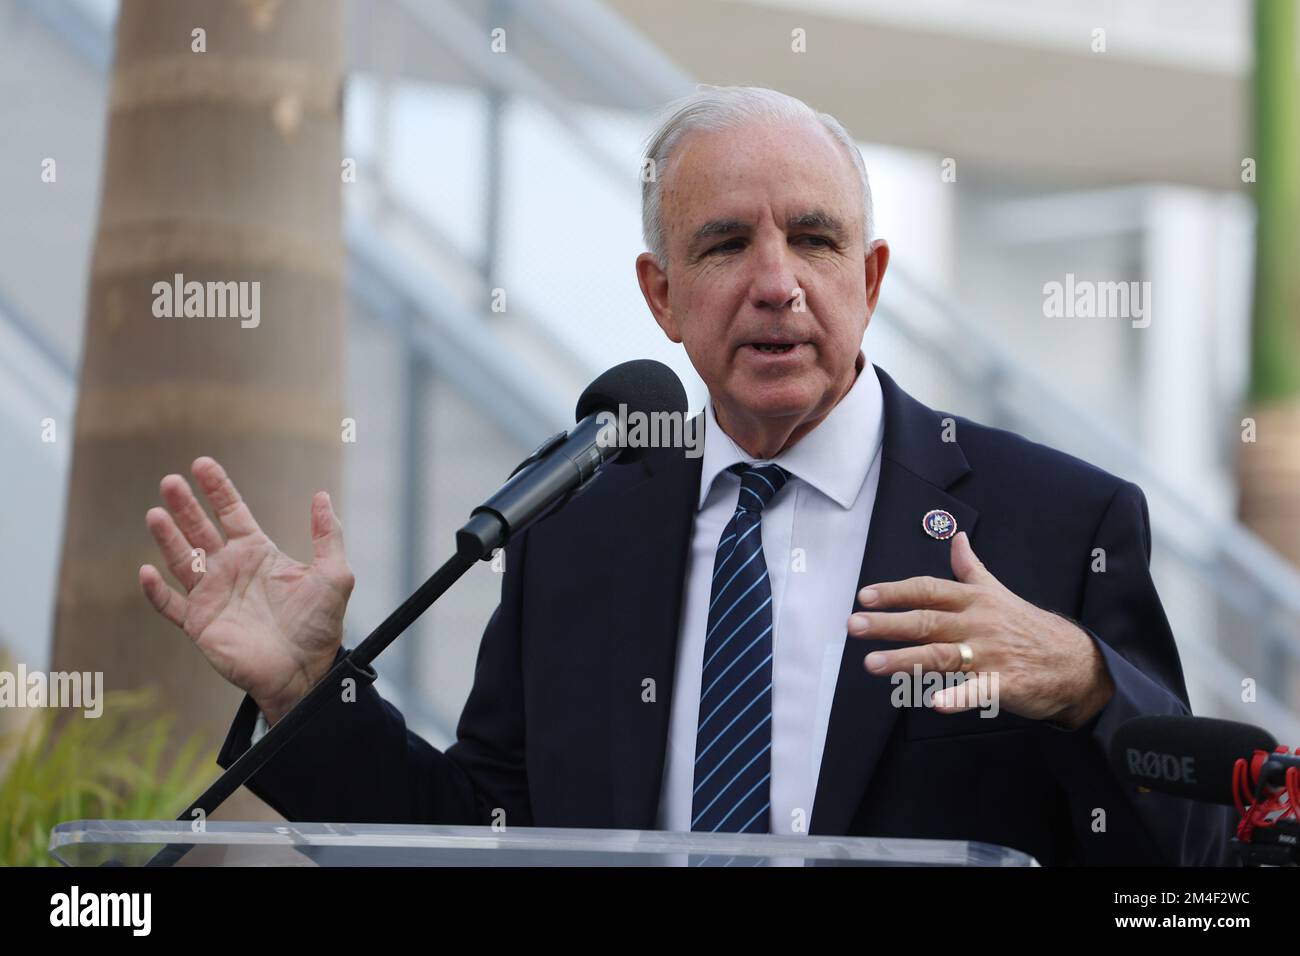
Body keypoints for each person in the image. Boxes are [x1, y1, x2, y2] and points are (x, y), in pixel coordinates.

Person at [140, 86, 1230, 865]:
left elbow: (1198, 853)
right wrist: (305, 687)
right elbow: (478, 836)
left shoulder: (1056, 520)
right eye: (723, 246)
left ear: (872, 274)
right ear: (659, 295)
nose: (775, 283)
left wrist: (1089, 679)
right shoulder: (575, 532)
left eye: (813, 239)